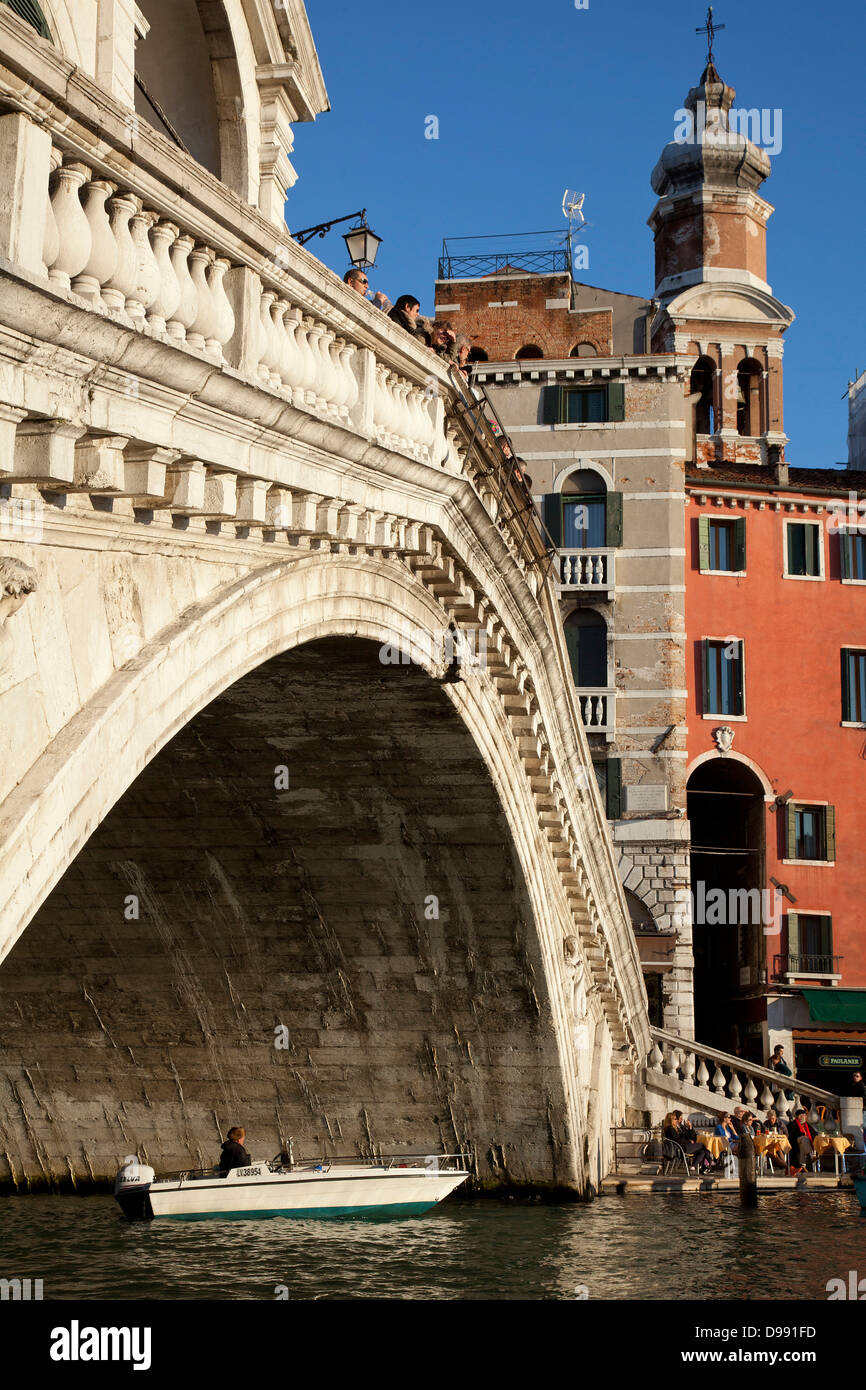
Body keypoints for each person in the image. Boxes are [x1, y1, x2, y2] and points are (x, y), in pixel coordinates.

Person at [788, 1109, 815, 1174]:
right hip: (795, 1141)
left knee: (803, 1144)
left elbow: (814, 1133)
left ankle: (803, 1166)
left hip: (804, 1143)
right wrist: (801, 1134)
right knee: (804, 1138)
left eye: (805, 1115)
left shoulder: (807, 1125)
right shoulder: (793, 1124)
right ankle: (811, 1155)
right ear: (798, 1117)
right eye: (802, 1116)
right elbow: (792, 1135)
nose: (804, 1117)